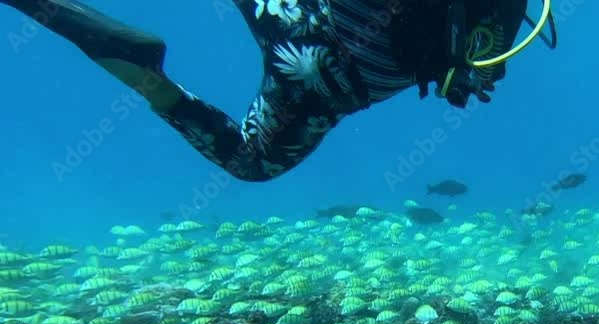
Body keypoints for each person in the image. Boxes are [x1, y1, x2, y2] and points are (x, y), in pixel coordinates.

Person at [2, 0, 556, 181]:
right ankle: (147, 76)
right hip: (333, 84)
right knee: (250, 162)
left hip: (308, 18)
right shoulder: (511, 11)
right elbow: (479, 77)